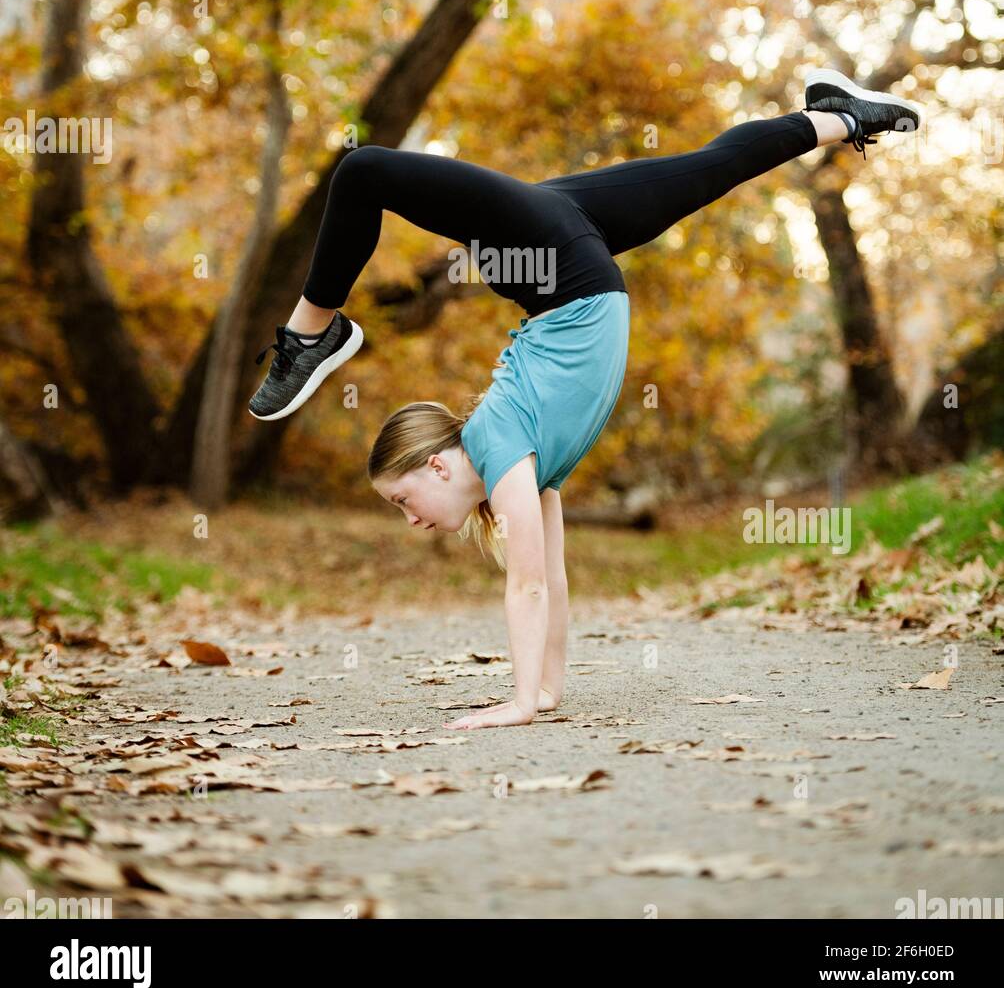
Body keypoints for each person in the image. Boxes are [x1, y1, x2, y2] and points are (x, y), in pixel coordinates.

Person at [248, 68, 922, 728]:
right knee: (708, 170)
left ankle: (313, 335)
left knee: (362, 171)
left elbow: (529, 586)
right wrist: (543, 690)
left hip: (560, 263)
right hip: (562, 251)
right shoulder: (528, 466)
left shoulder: (495, 441)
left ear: (437, 466)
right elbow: (553, 578)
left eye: (403, 500)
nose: (411, 520)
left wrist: (514, 703)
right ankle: (840, 116)